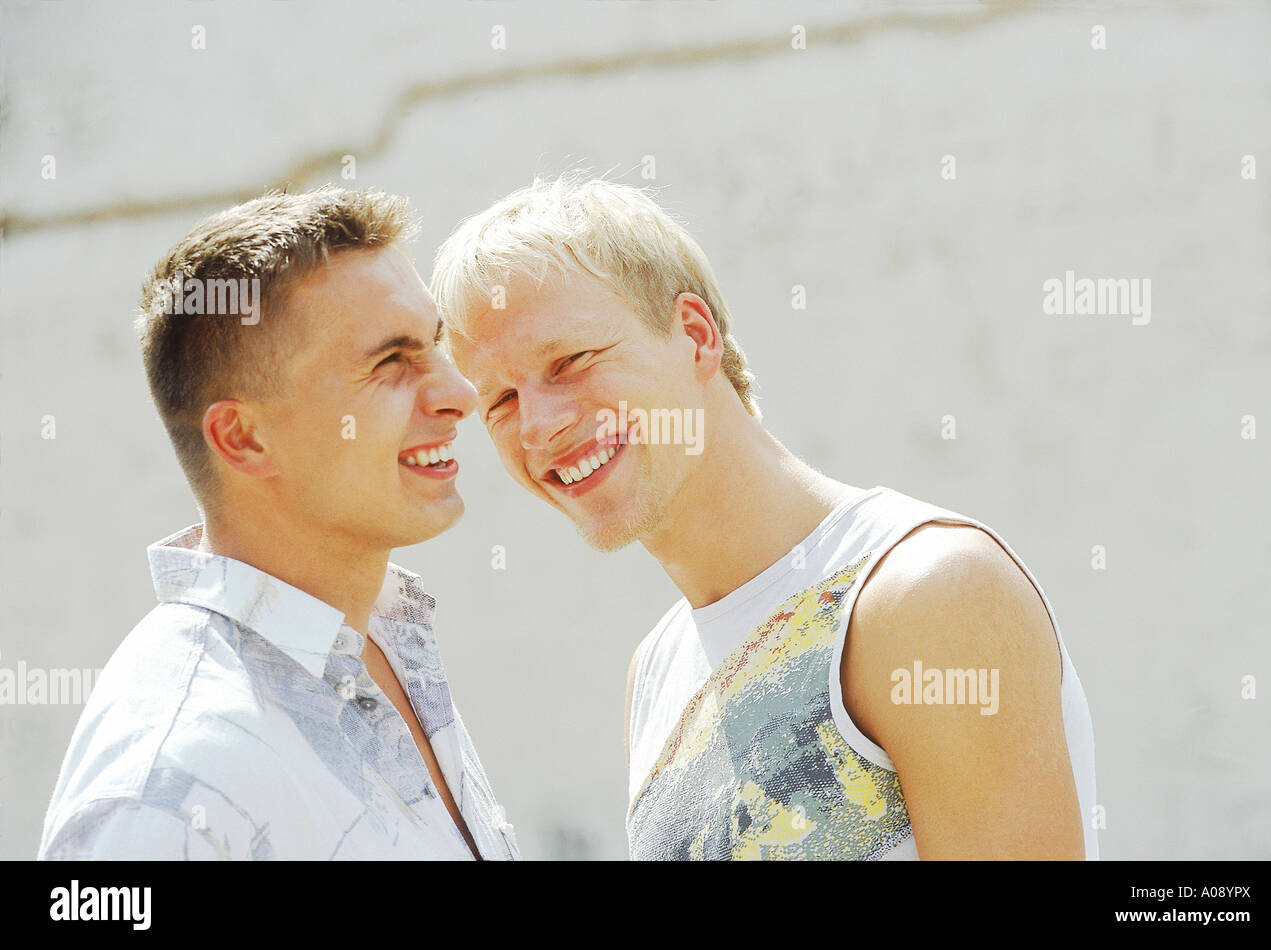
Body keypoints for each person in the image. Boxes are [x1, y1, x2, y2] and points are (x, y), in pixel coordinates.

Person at [430, 175, 1098, 860]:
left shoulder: (925, 592)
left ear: (694, 336)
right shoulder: (655, 673)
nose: (540, 425)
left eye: (570, 361)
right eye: (502, 401)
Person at [39, 187, 519, 860]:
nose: (460, 394)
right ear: (243, 438)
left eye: (435, 344)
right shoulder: (169, 789)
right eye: (391, 361)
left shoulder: (379, 635)